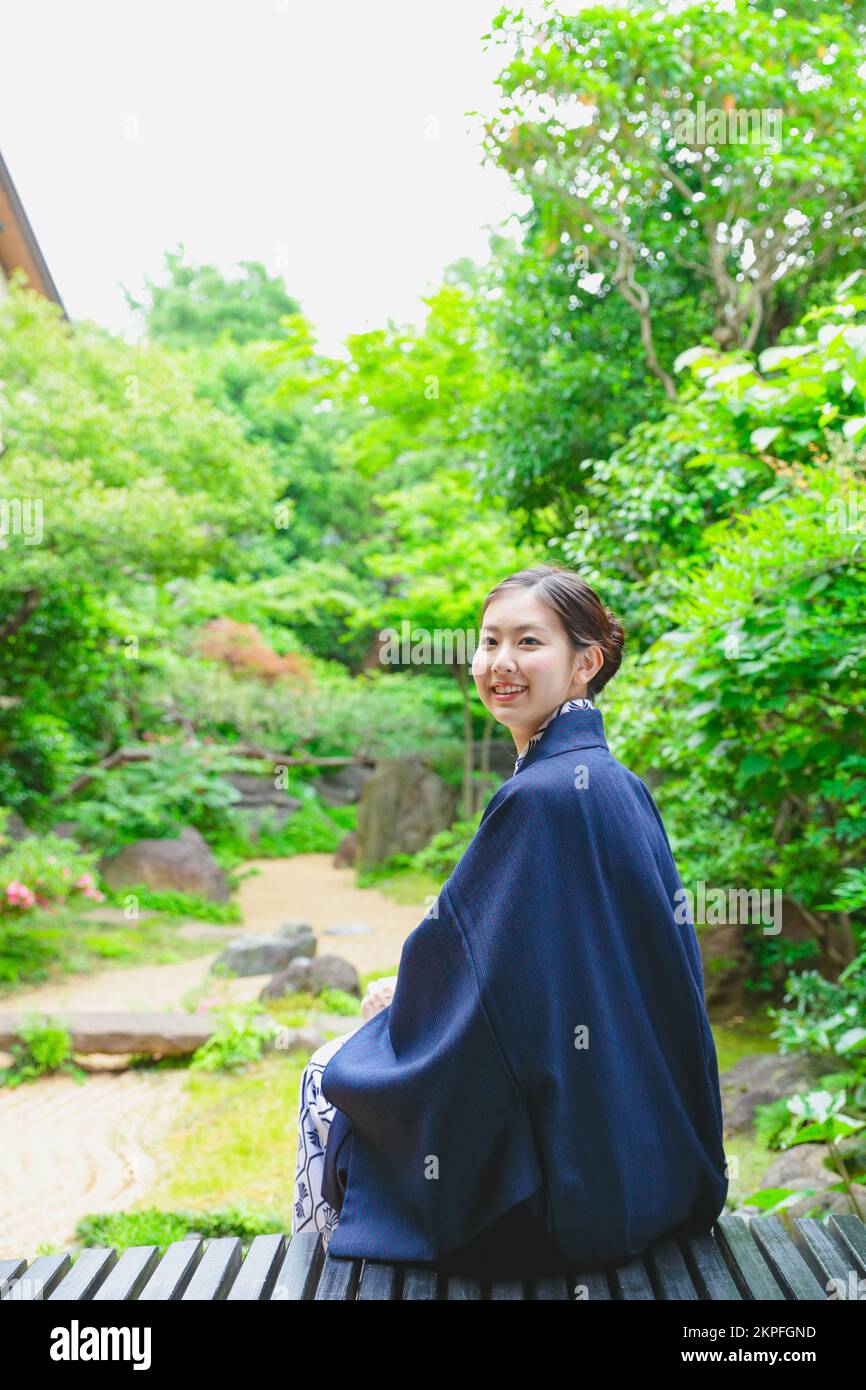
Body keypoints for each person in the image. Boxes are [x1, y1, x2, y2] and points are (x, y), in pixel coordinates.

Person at [291, 563, 729, 1276]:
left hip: (562, 1199)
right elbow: (536, 977)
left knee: (326, 1078)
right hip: (646, 1169)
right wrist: (422, 994)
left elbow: (494, 992)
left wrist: (405, 1008)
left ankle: (326, 1280)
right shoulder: (610, 784)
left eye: (529, 643)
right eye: (489, 642)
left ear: (585, 662)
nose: (500, 663)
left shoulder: (543, 799)